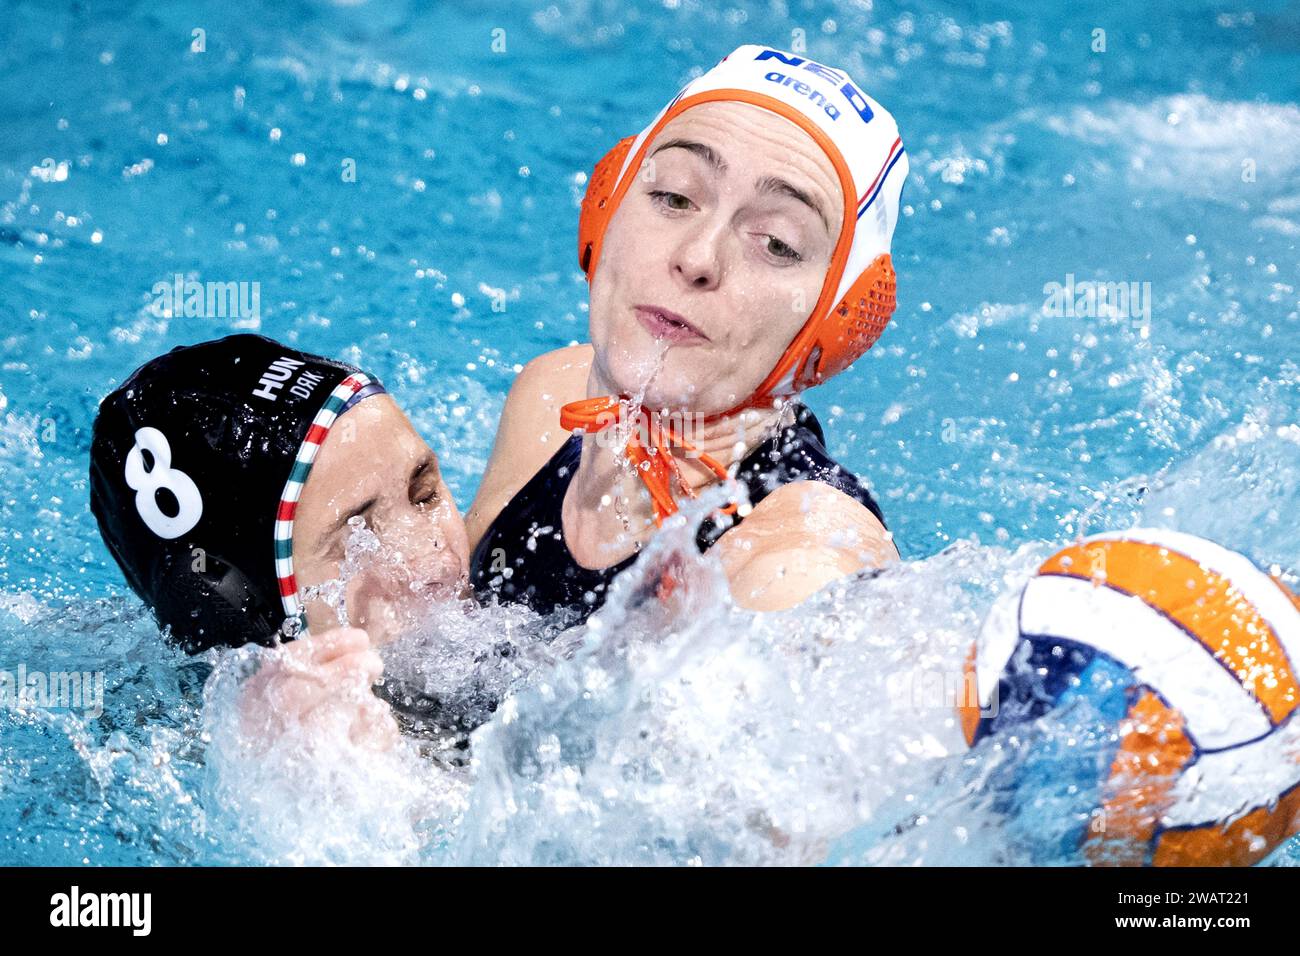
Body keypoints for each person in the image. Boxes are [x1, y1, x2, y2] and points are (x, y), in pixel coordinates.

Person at [467, 44, 908, 621]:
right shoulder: (551, 397)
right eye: (675, 196)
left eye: (777, 242)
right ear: (604, 205)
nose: (698, 257)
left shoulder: (795, 576)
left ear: (837, 319)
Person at [90, 334, 471, 746]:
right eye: (358, 542)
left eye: (425, 495)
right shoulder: (160, 756)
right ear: (236, 611)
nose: (439, 561)